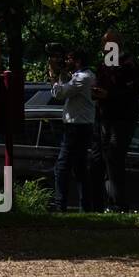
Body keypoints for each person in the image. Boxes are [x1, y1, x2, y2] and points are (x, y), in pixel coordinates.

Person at [95, 29, 139, 212]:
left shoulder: (129, 64)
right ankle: (112, 202)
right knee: (107, 159)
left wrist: (109, 94)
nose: (105, 47)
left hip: (122, 118)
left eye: (108, 43)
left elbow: (130, 91)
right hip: (106, 117)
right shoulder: (106, 64)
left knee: (114, 157)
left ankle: (119, 204)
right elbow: (105, 82)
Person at [49, 47, 98, 212]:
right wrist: (63, 73)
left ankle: (60, 205)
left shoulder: (82, 78)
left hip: (76, 127)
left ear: (78, 61)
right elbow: (67, 85)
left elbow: (59, 93)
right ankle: (86, 207)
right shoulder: (86, 75)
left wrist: (53, 76)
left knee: (62, 167)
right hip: (82, 126)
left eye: (69, 59)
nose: (65, 61)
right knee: (80, 169)